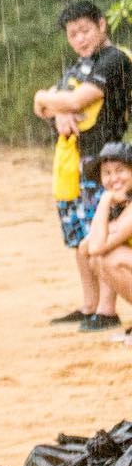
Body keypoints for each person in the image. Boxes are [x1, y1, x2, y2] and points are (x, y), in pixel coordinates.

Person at [33, 0, 132, 331]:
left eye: (85, 30)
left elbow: (74, 100)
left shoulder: (114, 60)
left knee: (100, 232)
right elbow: (45, 108)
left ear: (102, 25)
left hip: (108, 162)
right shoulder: (78, 67)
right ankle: (89, 304)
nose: (79, 39)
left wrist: (49, 100)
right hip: (75, 160)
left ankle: (106, 309)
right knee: (78, 236)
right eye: (72, 34)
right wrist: (52, 106)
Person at [84, 141, 132, 337]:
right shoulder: (123, 203)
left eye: (120, 170)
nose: (114, 179)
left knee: (111, 259)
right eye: (107, 173)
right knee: (98, 259)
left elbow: (96, 246)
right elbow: (86, 246)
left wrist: (104, 200)